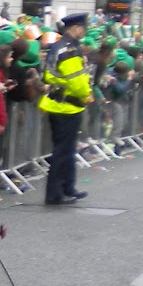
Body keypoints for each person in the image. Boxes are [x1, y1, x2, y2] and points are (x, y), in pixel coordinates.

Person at [39, 13, 93, 205]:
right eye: (83, 27)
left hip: (60, 104)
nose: (85, 31)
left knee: (66, 150)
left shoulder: (61, 46)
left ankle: (68, 187)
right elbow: (76, 80)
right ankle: (56, 193)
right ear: (75, 27)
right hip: (66, 106)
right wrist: (87, 94)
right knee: (63, 151)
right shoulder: (69, 50)